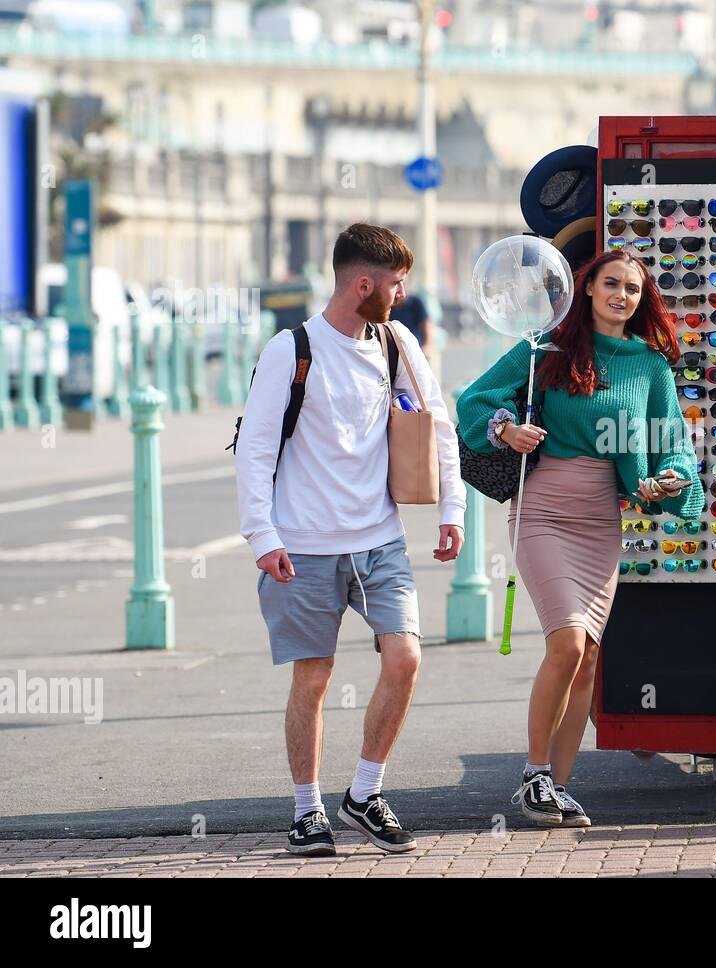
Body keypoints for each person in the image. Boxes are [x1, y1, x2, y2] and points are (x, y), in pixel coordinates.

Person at [235, 223, 467, 856]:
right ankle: (307, 810)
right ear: (363, 284)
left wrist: (454, 509)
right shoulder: (292, 349)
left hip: (379, 539)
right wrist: (262, 534)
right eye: (394, 285)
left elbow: (439, 426)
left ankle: (365, 792)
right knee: (314, 678)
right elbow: (255, 449)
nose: (400, 295)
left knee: (405, 657)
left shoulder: (398, 344)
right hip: (304, 544)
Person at [457, 249, 704, 827]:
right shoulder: (546, 348)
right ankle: (534, 777)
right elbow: (476, 399)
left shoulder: (650, 366)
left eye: (634, 289)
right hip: (542, 508)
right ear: (586, 287)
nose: (622, 295)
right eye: (611, 283)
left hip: (601, 518)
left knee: (589, 656)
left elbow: (673, 446)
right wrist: (506, 429)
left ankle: (558, 789)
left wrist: (670, 479)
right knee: (567, 642)